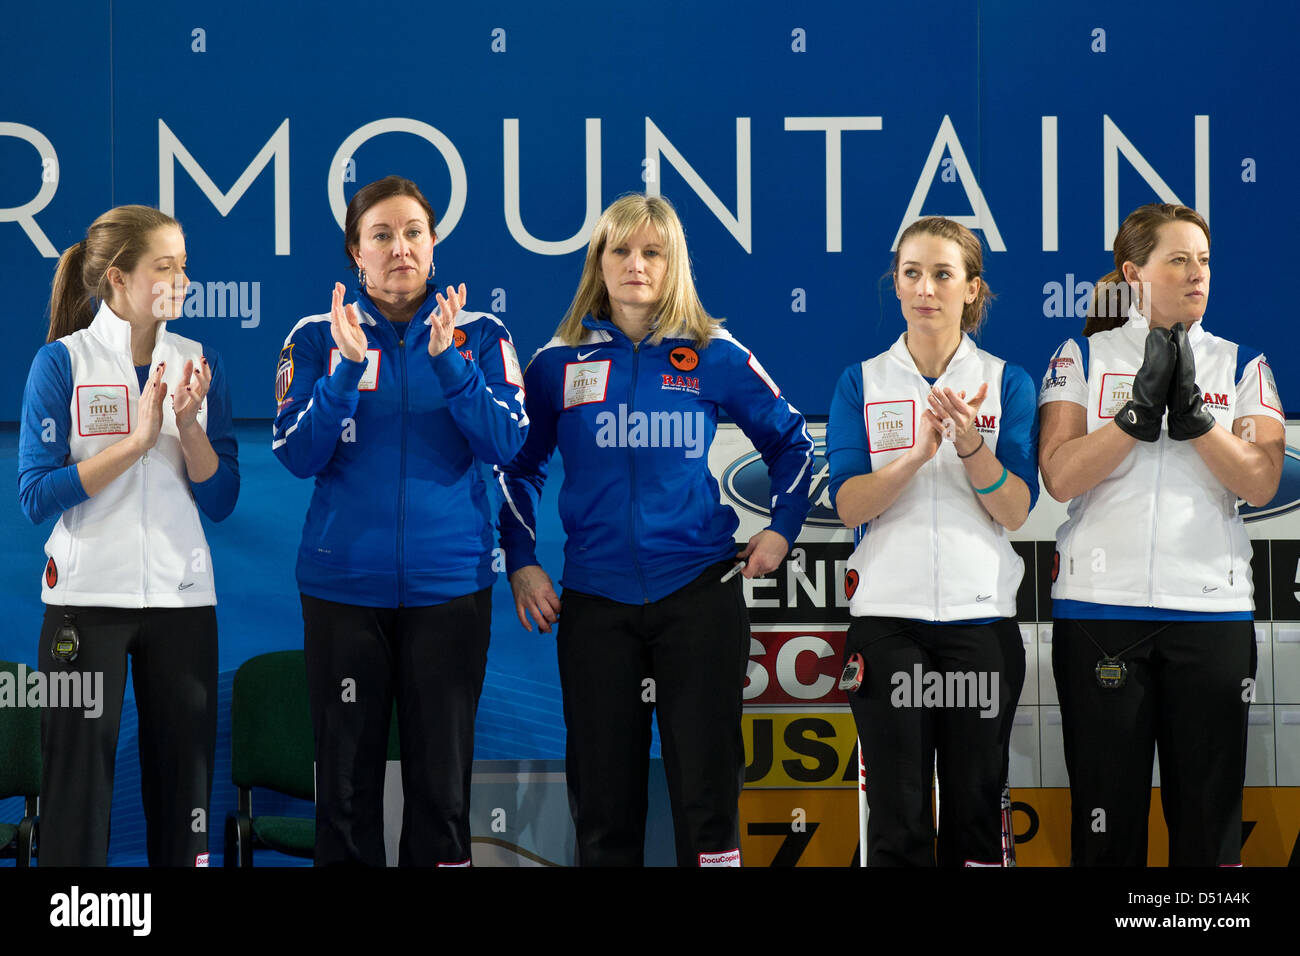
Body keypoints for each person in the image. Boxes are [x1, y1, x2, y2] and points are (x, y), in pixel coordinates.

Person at [498, 193, 813, 867]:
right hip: (596, 603)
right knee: (605, 810)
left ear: (674, 266)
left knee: (707, 803)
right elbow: (514, 468)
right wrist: (521, 559)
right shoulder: (557, 362)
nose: (636, 265)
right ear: (599, 262)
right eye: (621, 250)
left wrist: (783, 529)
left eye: (653, 252)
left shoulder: (714, 352)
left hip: (697, 593)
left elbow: (794, 445)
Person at [272, 175, 527, 866]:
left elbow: (508, 445)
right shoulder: (320, 337)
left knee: (441, 795)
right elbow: (297, 454)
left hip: (450, 594)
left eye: (413, 232)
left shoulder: (481, 336)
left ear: (434, 245)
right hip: (343, 595)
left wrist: (450, 364)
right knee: (345, 796)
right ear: (356, 254)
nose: (399, 248)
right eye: (380, 235)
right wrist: (344, 375)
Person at [1037, 203, 1283, 866]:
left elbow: (1262, 483)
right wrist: (1136, 416)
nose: (1196, 274)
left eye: (1203, 261)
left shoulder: (1242, 365)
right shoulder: (1079, 356)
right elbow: (1058, 476)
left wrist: (1200, 424)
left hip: (1210, 615)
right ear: (1133, 274)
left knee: (1207, 827)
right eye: (1178, 259)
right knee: (1105, 823)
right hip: (1100, 612)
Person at [18, 205, 239, 866]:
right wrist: (137, 443)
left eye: (184, 265)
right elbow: (34, 495)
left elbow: (222, 498)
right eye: (164, 266)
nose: (182, 279)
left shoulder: (200, 361)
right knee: (74, 797)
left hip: (184, 607)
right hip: (81, 609)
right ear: (117, 278)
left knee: (186, 798)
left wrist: (188, 429)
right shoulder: (61, 363)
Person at [826, 216, 1035, 866]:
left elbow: (1017, 509)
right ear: (896, 284)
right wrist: (915, 456)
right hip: (888, 628)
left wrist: (972, 446)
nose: (925, 288)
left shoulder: (1008, 382)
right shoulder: (862, 380)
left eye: (943, 274)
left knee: (975, 819)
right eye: (911, 273)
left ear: (972, 288)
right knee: (897, 820)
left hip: (980, 627)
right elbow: (847, 503)